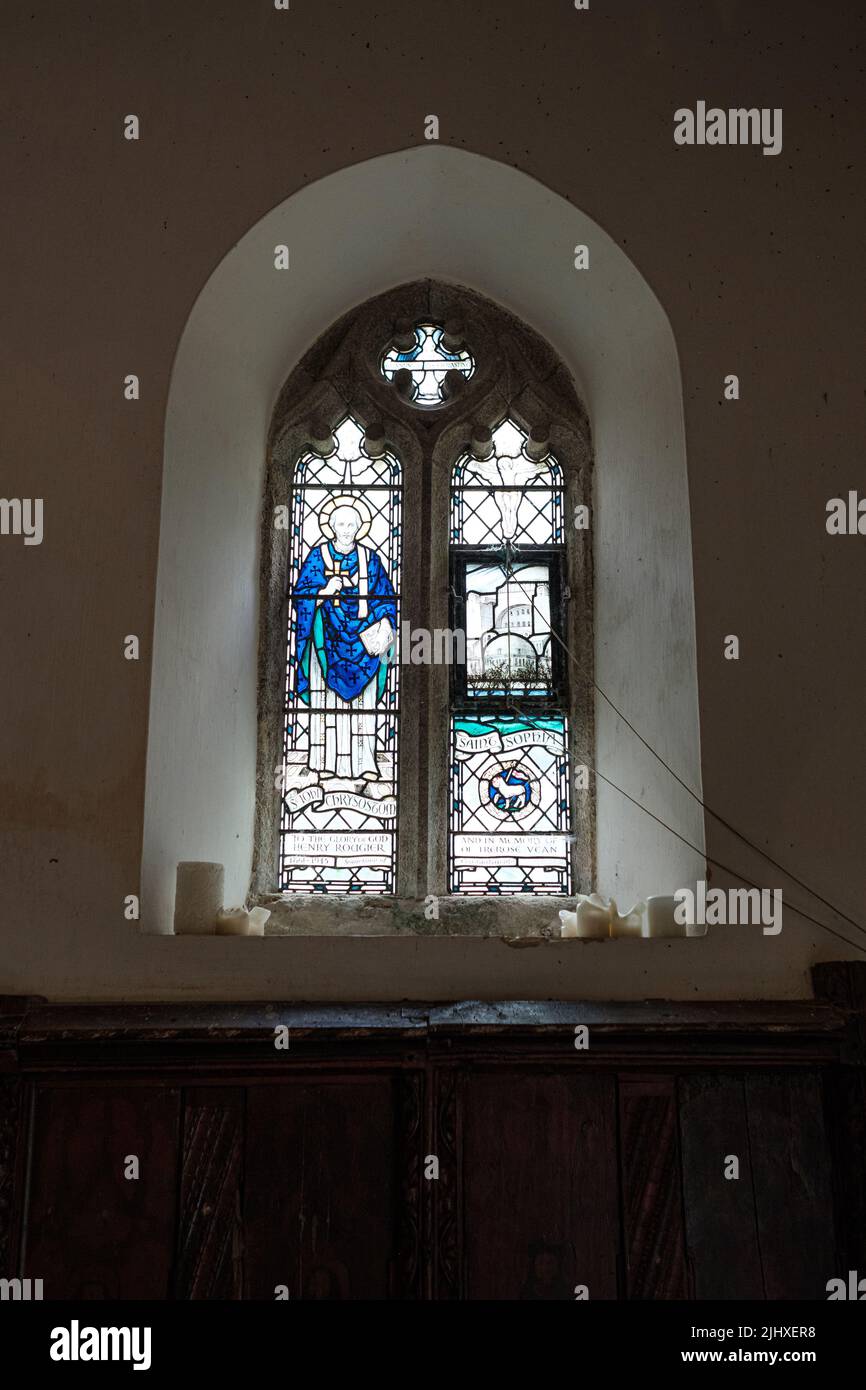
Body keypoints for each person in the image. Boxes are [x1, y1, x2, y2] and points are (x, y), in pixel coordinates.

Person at [293, 501, 396, 786]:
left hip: (364, 645)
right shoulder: (317, 557)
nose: (347, 530)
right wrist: (325, 591)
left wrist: (385, 621)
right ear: (332, 526)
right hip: (325, 641)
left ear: (360, 527)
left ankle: (365, 765)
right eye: (341, 524)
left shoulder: (371, 559)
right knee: (324, 701)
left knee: (364, 706)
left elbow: (386, 598)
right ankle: (323, 763)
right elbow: (301, 596)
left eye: (352, 524)